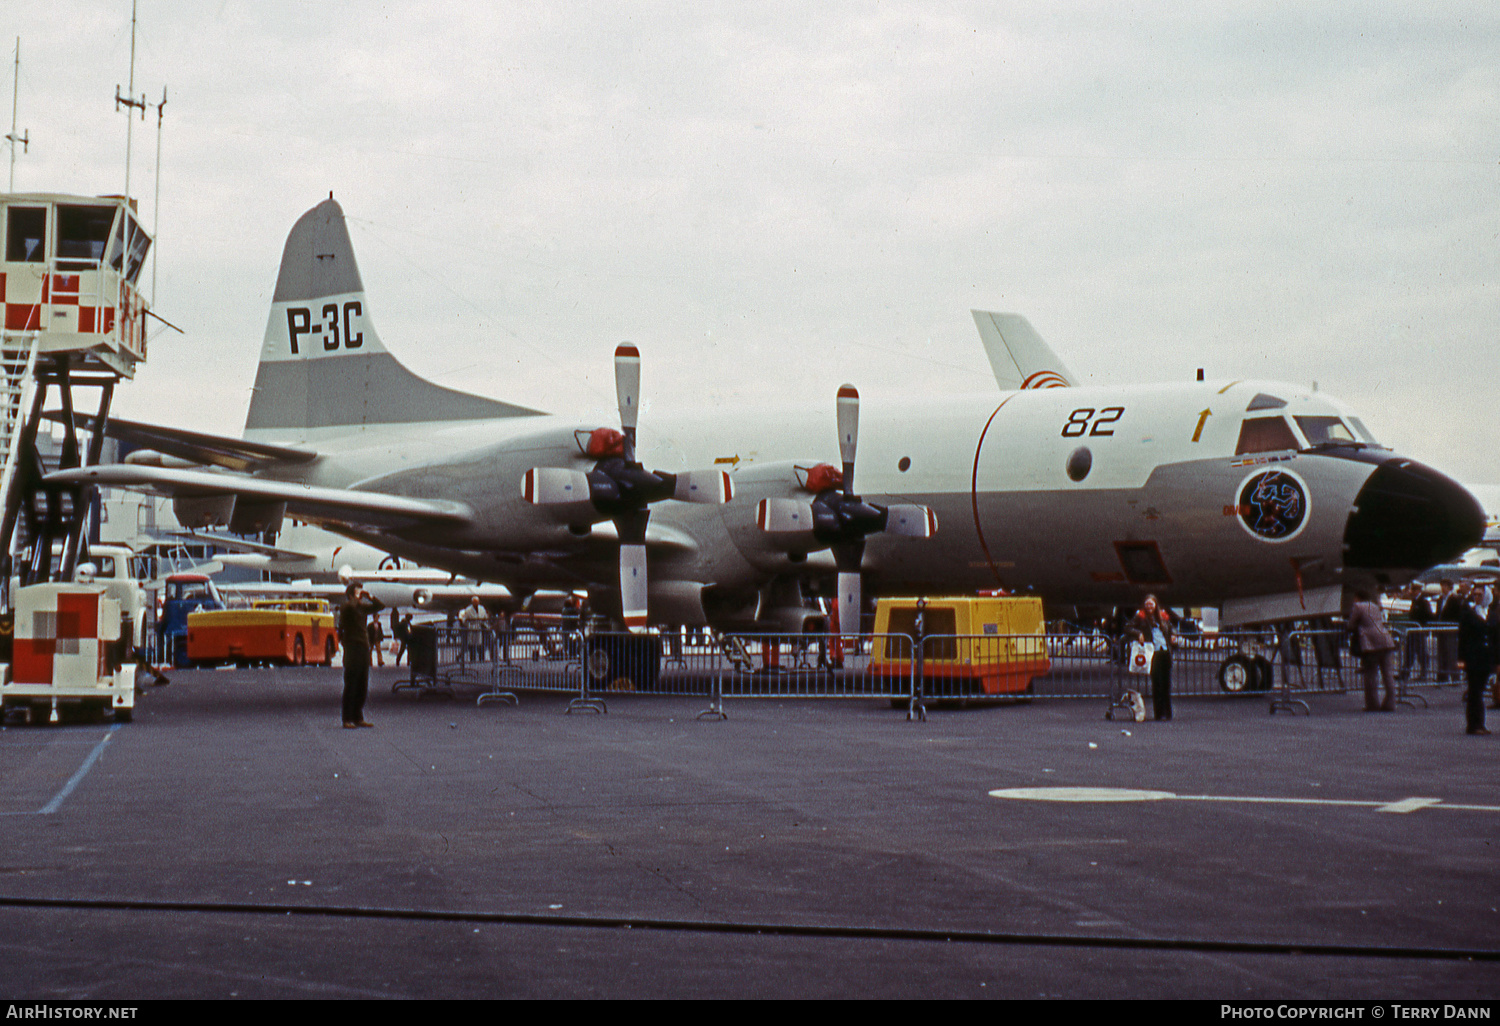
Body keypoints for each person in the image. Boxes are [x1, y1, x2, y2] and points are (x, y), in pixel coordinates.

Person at [338, 583, 384, 729]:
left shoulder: (362, 608)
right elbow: (351, 606)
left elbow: (380, 606)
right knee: (351, 683)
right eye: (357, 592)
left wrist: (369, 596)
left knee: (363, 683)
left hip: (364, 647)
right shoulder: (346, 607)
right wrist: (355, 596)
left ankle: (358, 716)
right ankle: (347, 718)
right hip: (352, 647)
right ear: (351, 595)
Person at [1347, 589, 1397, 712]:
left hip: (1370, 643)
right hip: (1385, 639)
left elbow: (1351, 624)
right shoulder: (1375, 605)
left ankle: (1372, 704)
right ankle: (1390, 702)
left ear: (1357, 597)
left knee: (1370, 674)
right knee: (1388, 674)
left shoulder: (1358, 606)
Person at [1130, 595, 1175, 720]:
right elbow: (1128, 627)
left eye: (1152, 604)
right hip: (1153, 653)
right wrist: (1138, 633)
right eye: (1147, 604)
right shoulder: (1141, 616)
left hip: (1165, 652)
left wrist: (1174, 635)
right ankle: (1159, 713)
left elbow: (1171, 627)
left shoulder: (1162, 616)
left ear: (1155, 605)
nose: (1149, 607)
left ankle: (1168, 713)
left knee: (1166, 684)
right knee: (1157, 684)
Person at [1455, 587, 1493, 735]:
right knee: (1474, 691)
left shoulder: (1491, 614)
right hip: (1472, 657)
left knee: (1480, 691)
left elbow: (1494, 637)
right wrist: (1461, 660)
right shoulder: (1468, 614)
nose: (1477, 597)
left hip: (1485, 657)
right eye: (1475, 594)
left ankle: (1480, 723)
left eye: (1480, 595)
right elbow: (1462, 638)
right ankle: (1473, 724)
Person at [1398, 583, 1432, 682]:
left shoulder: (1423, 602)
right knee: (1409, 653)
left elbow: (1428, 615)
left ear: (1418, 591)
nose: (1411, 592)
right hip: (1413, 631)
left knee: (1421, 653)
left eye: (1413, 590)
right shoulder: (1416, 601)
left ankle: (1423, 674)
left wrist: (1422, 627)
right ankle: (1405, 673)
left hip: (1419, 631)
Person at [459, 596, 487, 662]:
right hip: (471, 628)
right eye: (474, 602)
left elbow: (485, 617)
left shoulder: (482, 609)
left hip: (479, 628)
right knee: (472, 644)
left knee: (480, 644)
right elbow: (464, 620)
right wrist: (469, 626)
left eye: (477, 602)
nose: (476, 603)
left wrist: (484, 624)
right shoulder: (468, 609)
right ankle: (472, 659)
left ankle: (481, 659)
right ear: (472, 602)